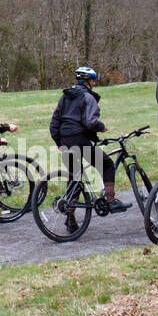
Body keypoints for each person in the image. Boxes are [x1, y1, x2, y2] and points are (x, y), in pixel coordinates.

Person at [49, 66, 128, 215]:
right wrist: (102, 126)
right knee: (107, 164)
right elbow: (90, 122)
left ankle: (70, 220)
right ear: (89, 81)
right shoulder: (88, 97)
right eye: (93, 80)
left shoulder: (65, 97)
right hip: (80, 139)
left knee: (74, 177)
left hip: (66, 140)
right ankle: (110, 200)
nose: (94, 83)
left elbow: (54, 122)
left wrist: (59, 142)